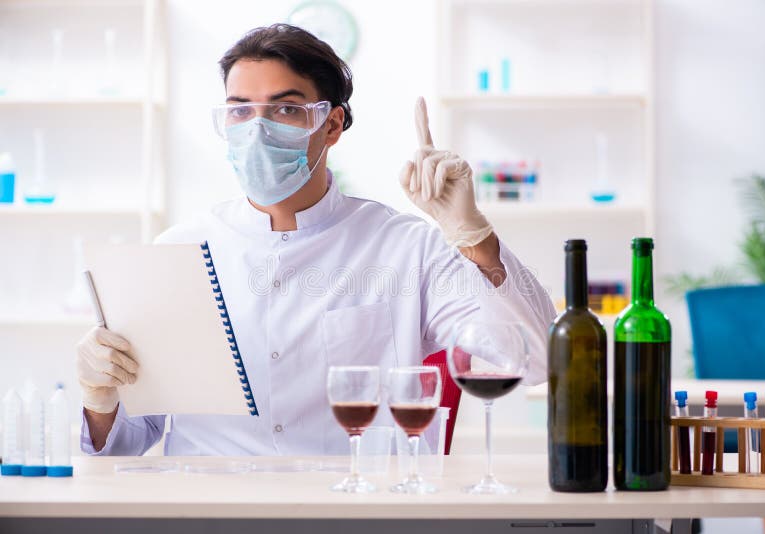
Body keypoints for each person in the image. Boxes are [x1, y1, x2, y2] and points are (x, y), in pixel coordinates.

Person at [76, 24, 555, 456]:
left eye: (286, 108)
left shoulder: (408, 247)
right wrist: (102, 398)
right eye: (240, 110)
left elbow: (533, 360)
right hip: (215, 512)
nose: (257, 128)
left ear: (330, 125)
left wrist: (475, 239)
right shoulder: (176, 251)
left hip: (360, 511)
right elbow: (127, 445)